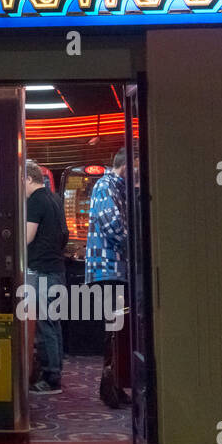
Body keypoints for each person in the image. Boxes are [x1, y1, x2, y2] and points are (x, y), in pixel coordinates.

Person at [85, 148, 130, 408]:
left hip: (114, 268)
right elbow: (114, 226)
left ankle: (115, 385)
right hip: (107, 268)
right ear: (129, 163)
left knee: (118, 329)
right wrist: (139, 242)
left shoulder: (116, 186)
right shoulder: (105, 185)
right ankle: (109, 388)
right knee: (114, 330)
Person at [24, 159, 68, 394]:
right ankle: (55, 371)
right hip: (57, 268)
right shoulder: (54, 198)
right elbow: (65, 234)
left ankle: (51, 378)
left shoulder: (35, 200)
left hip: (42, 269)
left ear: (29, 179)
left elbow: (27, 237)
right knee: (53, 323)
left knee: (44, 324)